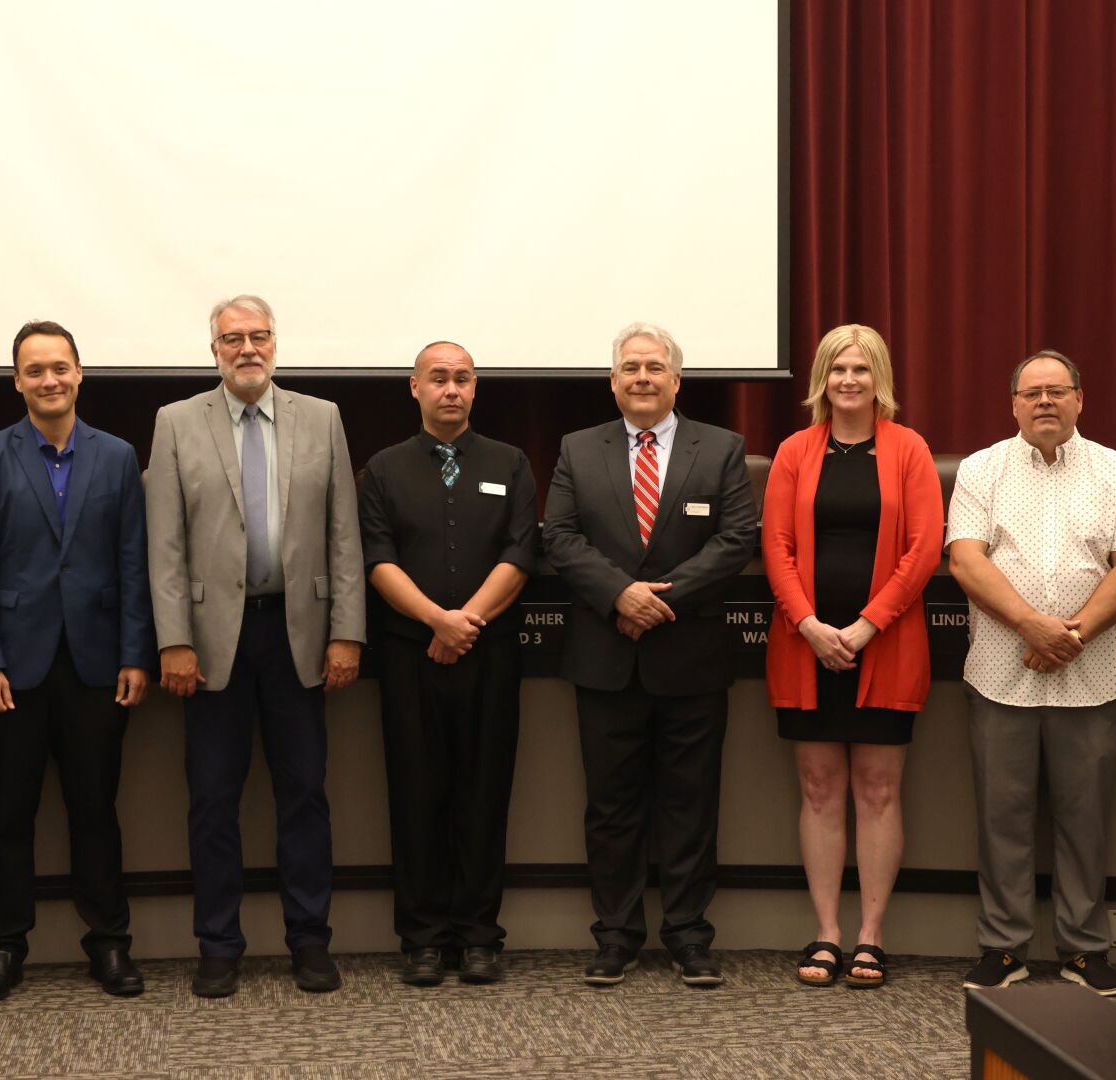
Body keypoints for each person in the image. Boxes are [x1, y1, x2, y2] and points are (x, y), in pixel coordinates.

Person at [146, 295, 366, 998]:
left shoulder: (322, 418)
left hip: (298, 634)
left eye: (259, 336)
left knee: (304, 793)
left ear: (276, 343)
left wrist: (346, 632)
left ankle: (309, 941)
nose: (248, 348)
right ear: (213, 349)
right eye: (232, 338)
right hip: (211, 642)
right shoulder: (176, 423)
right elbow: (166, 544)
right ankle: (219, 944)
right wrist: (174, 641)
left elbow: (343, 535)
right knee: (212, 798)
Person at [542, 322, 757, 988]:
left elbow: (736, 539)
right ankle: (616, 936)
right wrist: (620, 596)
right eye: (629, 367)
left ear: (676, 380)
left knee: (690, 804)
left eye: (654, 367)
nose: (641, 377)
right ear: (612, 381)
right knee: (611, 807)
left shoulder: (721, 448)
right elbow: (560, 537)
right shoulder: (578, 449)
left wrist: (659, 601)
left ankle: (690, 936)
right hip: (606, 656)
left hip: (689, 654)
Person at [0, 321, 158, 1003]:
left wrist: (136, 652)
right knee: (8, 813)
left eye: (60, 368)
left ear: (79, 374)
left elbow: (134, 562)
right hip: (10, 668)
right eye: (35, 370)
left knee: (96, 809)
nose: (49, 380)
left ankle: (110, 943)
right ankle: (4, 947)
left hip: (99, 666)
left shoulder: (119, 456)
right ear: (17, 380)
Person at [947, 350, 1116, 997]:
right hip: (998, 672)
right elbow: (966, 562)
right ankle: (1003, 947)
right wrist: (1033, 625)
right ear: (1012, 404)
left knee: (1084, 819)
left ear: (1079, 400)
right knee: (1001, 816)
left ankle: (1085, 950)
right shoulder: (982, 469)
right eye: (1031, 393)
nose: (1044, 402)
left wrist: (1071, 635)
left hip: (1090, 674)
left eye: (1056, 391)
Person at [761, 325, 943, 990]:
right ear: (821, 379)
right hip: (803, 644)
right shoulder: (793, 452)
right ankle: (826, 933)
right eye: (838, 369)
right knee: (818, 789)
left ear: (880, 379)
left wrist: (865, 626)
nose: (849, 381)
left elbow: (924, 548)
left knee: (878, 788)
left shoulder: (909, 450)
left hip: (887, 645)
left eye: (861, 370)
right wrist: (809, 625)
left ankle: (870, 934)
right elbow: (775, 548)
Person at [359, 341, 538, 986]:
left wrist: (465, 626)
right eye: (438, 379)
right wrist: (437, 621)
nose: (451, 390)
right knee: (415, 796)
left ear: (475, 389)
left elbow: (520, 556)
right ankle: (423, 938)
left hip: (489, 656)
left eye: (463, 379)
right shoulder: (382, 469)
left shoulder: (510, 463)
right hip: (411, 655)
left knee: (485, 795)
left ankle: (480, 934)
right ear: (414, 388)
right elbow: (377, 560)